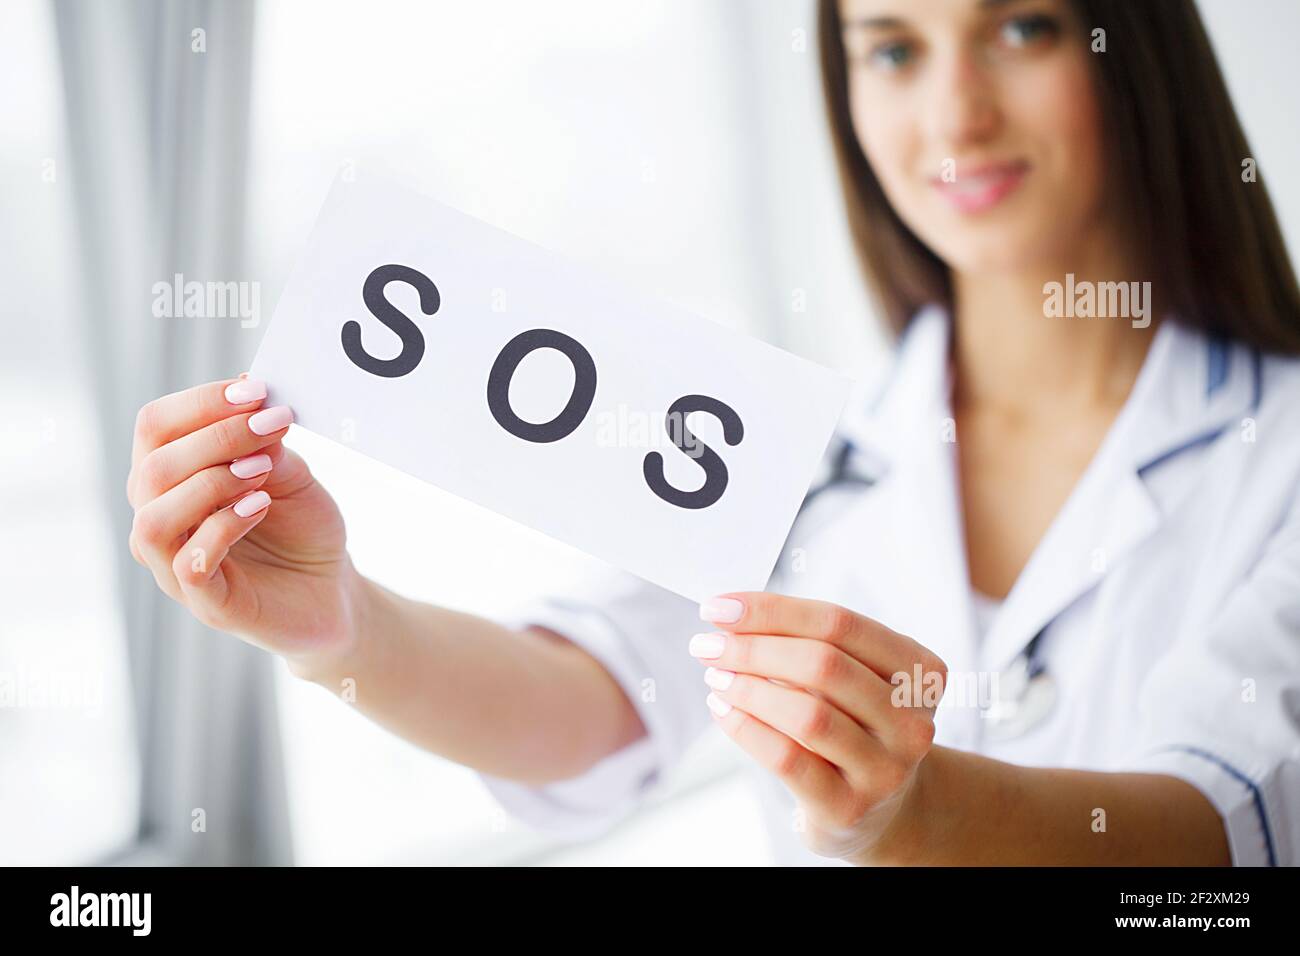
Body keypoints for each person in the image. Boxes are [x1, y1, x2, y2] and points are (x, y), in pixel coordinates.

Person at [125, 0, 1300, 865]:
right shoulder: (790, 447)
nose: (956, 112)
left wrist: (912, 815)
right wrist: (341, 625)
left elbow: (1222, 832)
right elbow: (585, 699)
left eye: (1023, 29)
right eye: (892, 49)